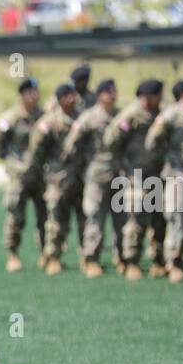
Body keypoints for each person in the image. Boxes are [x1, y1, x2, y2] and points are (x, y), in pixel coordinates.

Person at [145, 77, 183, 282]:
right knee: (176, 218)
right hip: (175, 176)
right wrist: (170, 160)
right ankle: (175, 262)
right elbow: (152, 141)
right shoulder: (170, 115)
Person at [108, 79, 165, 279]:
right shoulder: (132, 115)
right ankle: (131, 260)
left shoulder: (162, 113)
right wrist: (123, 163)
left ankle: (158, 260)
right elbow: (112, 139)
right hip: (136, 175)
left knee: (159, 218)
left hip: (160, 174)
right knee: (136, 216)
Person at [65, 79, 120, 277]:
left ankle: (123, 258)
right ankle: (91, 259)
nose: (112, 95)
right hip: (96, 175)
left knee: (121, 219)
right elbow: (71, 146)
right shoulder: (89, 118)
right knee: (95, 217)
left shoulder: (120, 115)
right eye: (108, 91)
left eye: (114, 91)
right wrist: (81, 166)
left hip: (118, 175)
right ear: (99, 95)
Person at [27, 83, 82, 275]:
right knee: (55, 218)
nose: (71, 99)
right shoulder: (49, 121)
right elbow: (36, 149)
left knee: (83, 218)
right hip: (56, 177)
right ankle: (52, 256)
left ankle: (87, 256)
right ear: (59, 99)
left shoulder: (81, 117)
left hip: (79, 176)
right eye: (66, 96)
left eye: (72, 95)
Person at [0, 77, 45, 272]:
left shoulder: (44, 115)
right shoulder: (11, 118)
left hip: (40, 173)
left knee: (45, 215)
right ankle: (13, 254)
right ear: (22, 95)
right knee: (16, 215)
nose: (34, 94)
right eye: (29, 91)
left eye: (35, 90)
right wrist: (13, 162)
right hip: (19, 175)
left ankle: (46, 253)